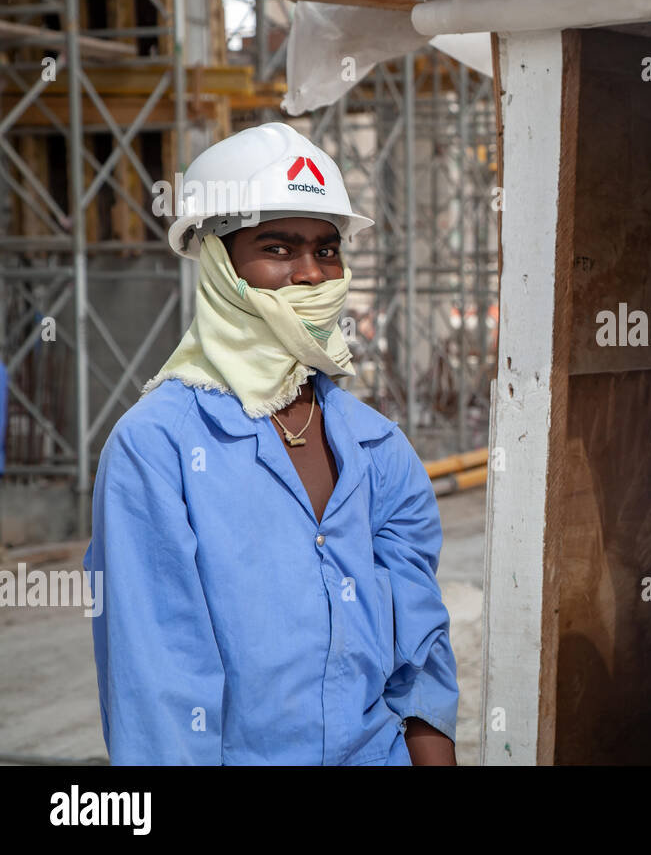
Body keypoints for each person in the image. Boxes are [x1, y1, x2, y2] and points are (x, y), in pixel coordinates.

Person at [85, 122, 458, 765]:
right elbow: (159, 688)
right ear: (221, 265)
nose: (311, 275)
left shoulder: (377, 445)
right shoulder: (157, 448)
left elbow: (419, 651)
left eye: (327, 249)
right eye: (279, 249)